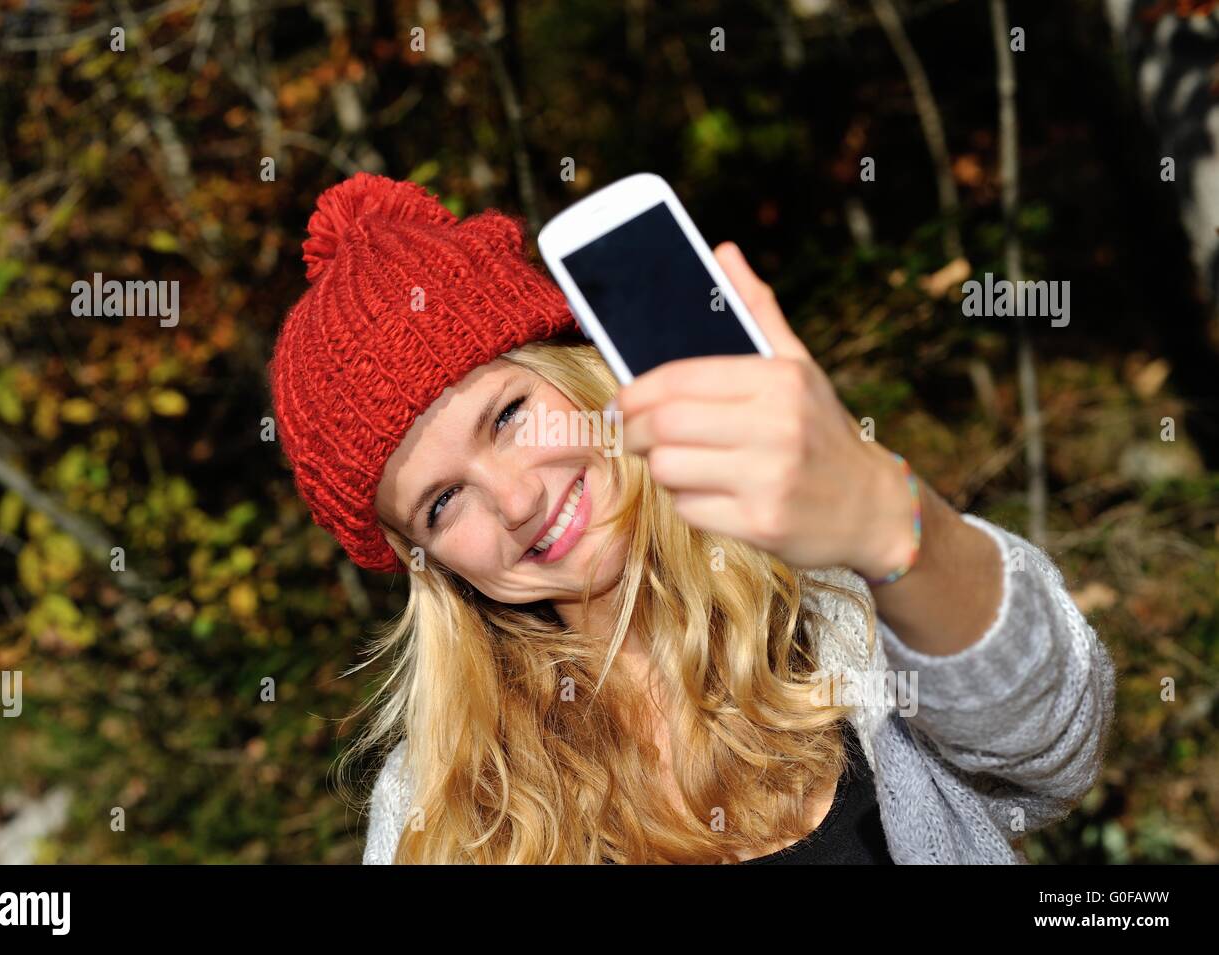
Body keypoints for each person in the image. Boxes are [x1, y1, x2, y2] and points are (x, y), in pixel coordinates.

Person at [268, 172, 1117, 864]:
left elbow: (1053, 744)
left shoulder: (839, 612)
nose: (518, 500)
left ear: (579, 368)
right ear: (424, 558)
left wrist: (892, 526)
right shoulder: (443, 807)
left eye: (508, 414)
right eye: (443, 502)